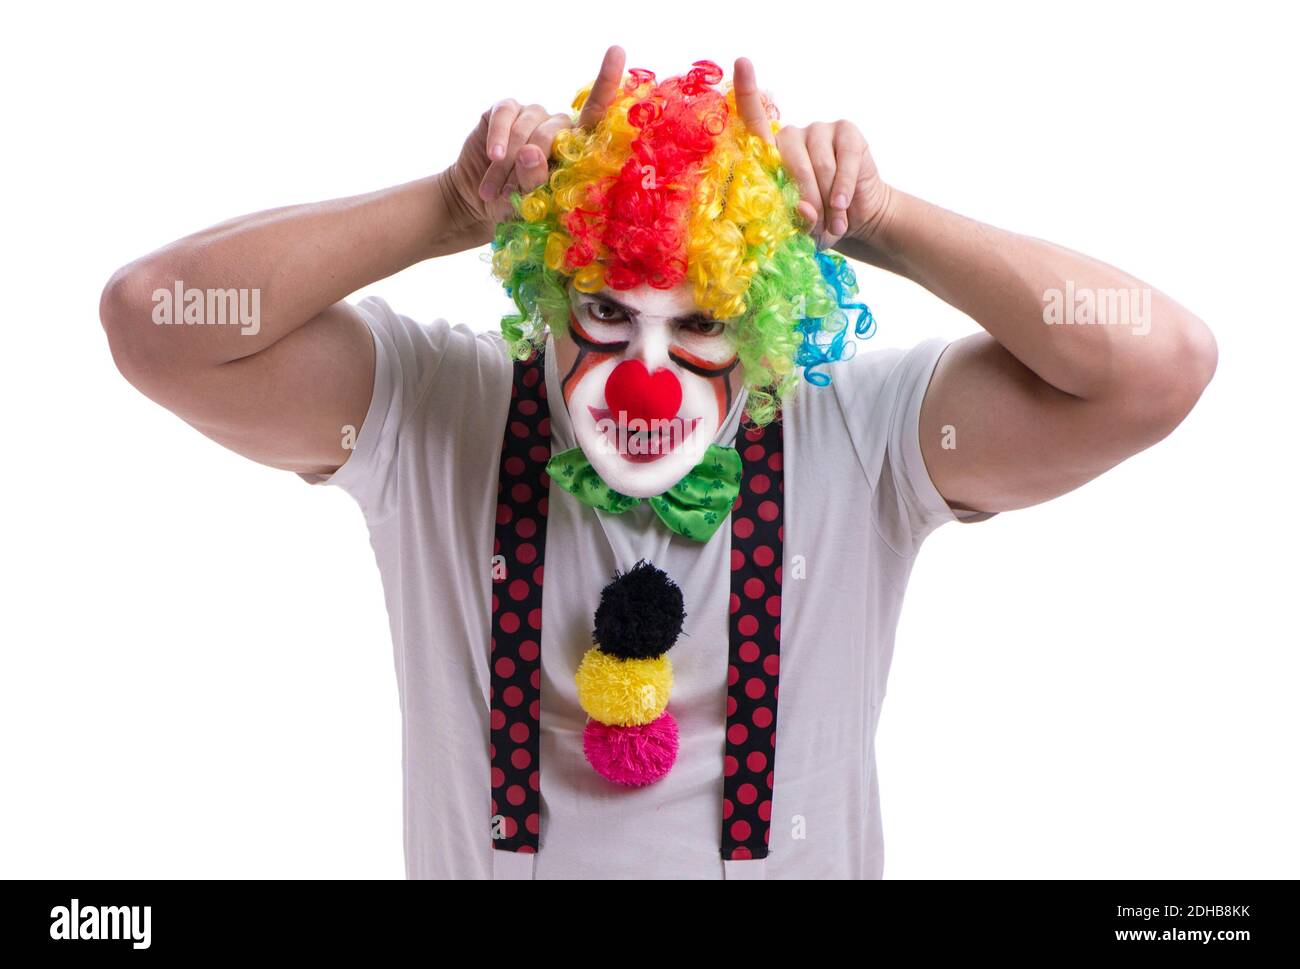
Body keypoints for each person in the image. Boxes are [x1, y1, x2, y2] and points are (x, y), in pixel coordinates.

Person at [99, 46, 1217, 879]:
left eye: (699, 324)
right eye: (602, 312)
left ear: (767, 323)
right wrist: (448, 208)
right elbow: (157, 318)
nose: (645, 377)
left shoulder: (860, 436)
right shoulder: (433, 415)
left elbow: (1157, 364)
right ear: (544, 295)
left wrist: (876, 218)